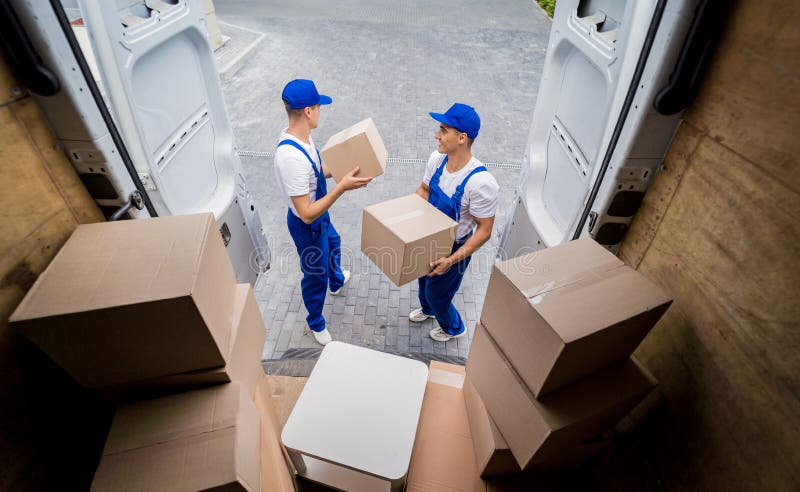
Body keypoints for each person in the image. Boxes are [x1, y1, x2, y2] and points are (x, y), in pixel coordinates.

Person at [274, 79, 372, 345]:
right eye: (319, 106)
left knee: (334, 244)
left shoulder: (303, 139)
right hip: (308, 226)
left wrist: (347, 169)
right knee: (315, 276)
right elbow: (305, 213)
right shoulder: (290, 158)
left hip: (321, 217)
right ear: (308, 111)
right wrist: (341, 187)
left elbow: (317, 171)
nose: (321, 111)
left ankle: (337, 281)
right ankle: (315, 322)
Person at [409, 103, 499, 342]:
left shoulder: (480, 183)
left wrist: (450, 260)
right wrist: (406, 221)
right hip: (428, 235)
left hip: (454, 248)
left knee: (438, 294)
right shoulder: (437, 160)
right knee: (423, 279)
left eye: (443, 130)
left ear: (461, 137)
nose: (436, 135)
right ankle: (428, 311)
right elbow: (424, 190)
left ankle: (454, 328)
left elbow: (485, 230)